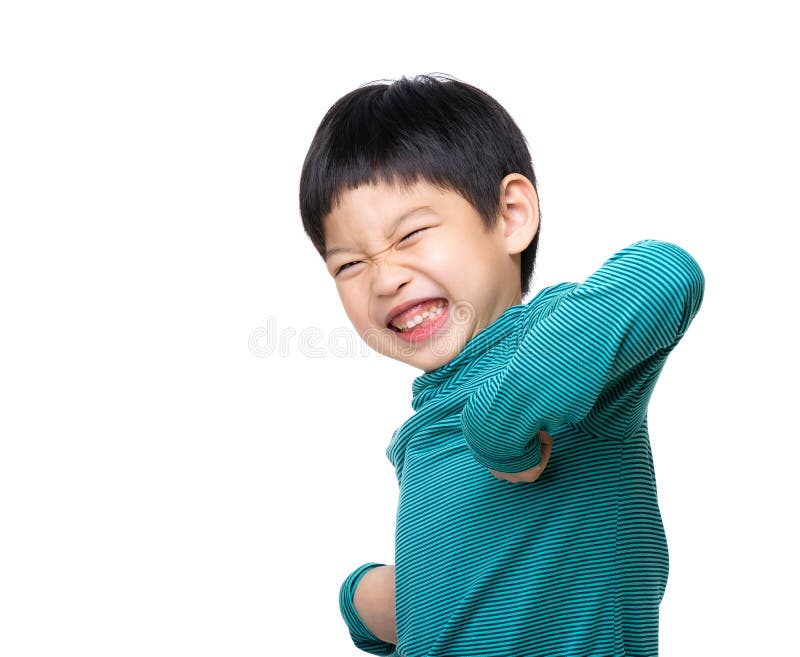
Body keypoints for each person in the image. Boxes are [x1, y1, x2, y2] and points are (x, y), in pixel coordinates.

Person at [298, 73, 705, 657]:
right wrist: (369, 599)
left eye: (411, 233)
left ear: (511, 215)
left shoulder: (557, 347)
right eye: (349, 265)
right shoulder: (426, 426)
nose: (385, 278)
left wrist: (499, 424)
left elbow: (667, 271)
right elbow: (473, 565)